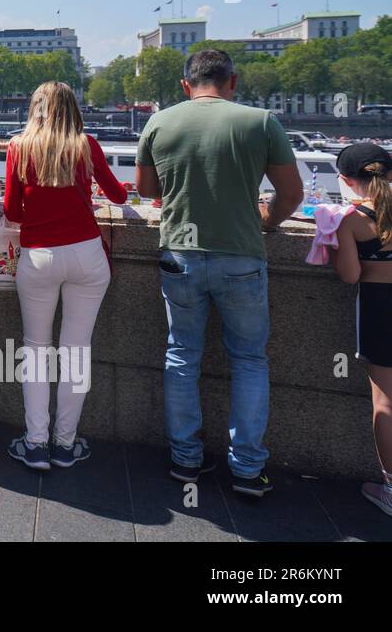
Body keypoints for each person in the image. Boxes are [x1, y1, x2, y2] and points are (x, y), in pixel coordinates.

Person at [136, 48, 302, 497]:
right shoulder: (260, 121)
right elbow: (291, 194)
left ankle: (185, 459)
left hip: (179, 254)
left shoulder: (160, 121)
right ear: (233, 81)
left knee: (181, 355)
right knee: (249, 360)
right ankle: (247, 468)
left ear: (187, 86)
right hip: (242, 256)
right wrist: (266, 221)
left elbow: (147, 190)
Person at [3, 82, 127, 470]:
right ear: (73, 108)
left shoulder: (18, 147)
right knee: (76, 351)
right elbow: (119, 197)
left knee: (36, 350)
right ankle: (66, 443)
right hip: (87, 255)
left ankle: (35, 443)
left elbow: (13, 211)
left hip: (39, 256)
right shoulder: (86, 145)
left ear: (34, 108)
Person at [328, 142, 392, 516]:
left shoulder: (351, 220)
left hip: (380, 308)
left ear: (348, 182)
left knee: (385, 402)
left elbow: (350, 275)